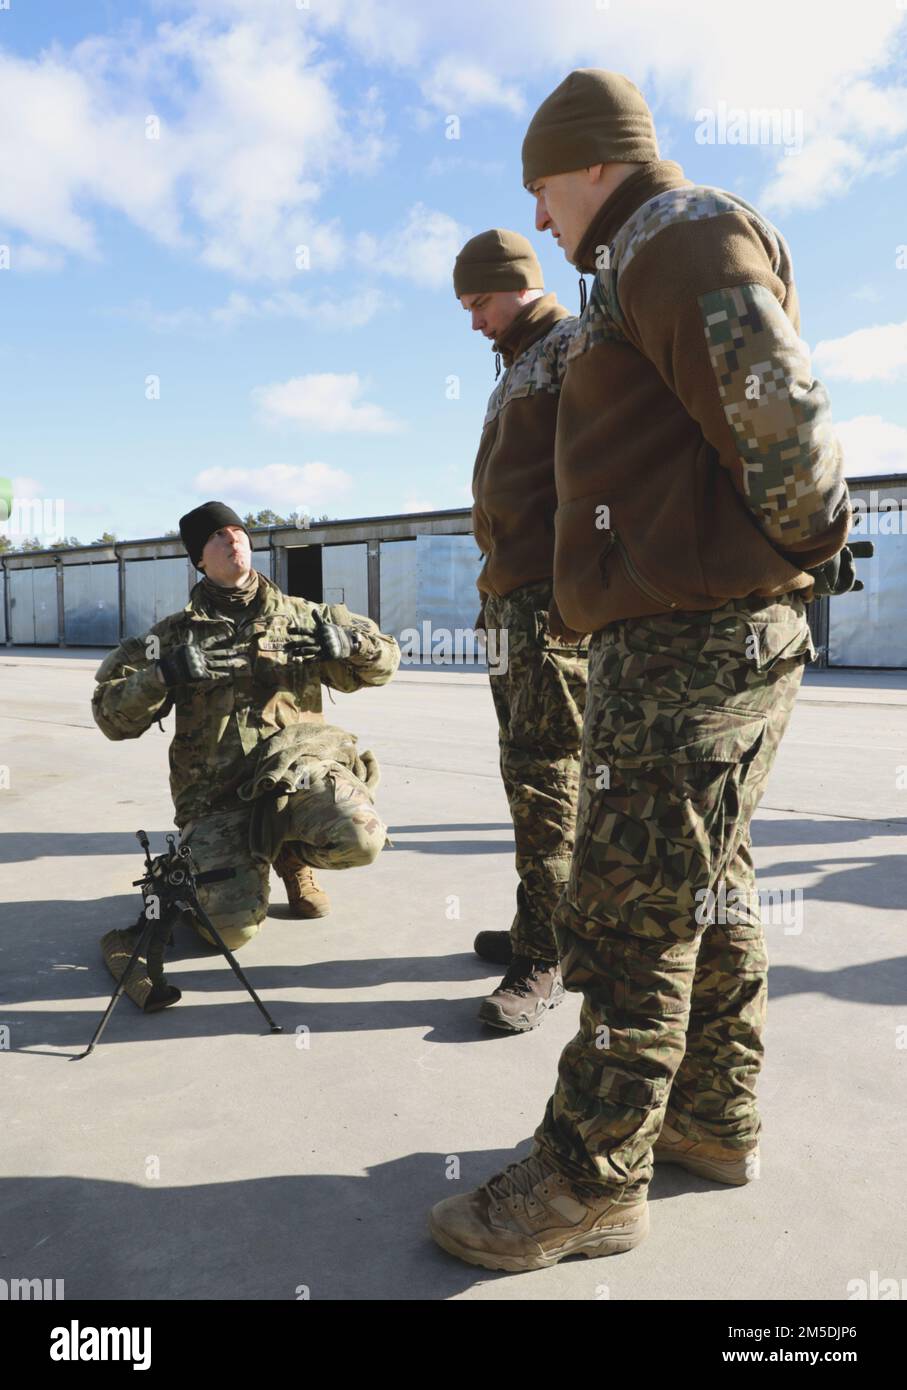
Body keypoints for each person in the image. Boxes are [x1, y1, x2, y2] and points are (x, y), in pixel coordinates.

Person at [431, 70, 853, 1270]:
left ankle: (587, 1178)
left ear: (589, 162)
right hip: (683, 633)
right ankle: (711, 1119)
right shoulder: (633, 261)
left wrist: (788, 555)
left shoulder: (679, 236)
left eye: (541, 189)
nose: (541, 214)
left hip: (697, 642)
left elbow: (782, 426)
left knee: (625, 916)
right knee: (708, 894)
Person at [93, 501, 399, 1008]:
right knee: (230, 934)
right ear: (198, 559)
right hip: (217, 799)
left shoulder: (305, 615)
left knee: (362, 840)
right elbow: (110, 716)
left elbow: (386, 661)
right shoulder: (170, 637)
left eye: (237, 530)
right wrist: (161, 675)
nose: (232, 539)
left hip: (296, 777)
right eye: (217, 536)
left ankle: (290, 855)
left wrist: (349, 644)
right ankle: (214, 869)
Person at [454, 229, 587, 1032]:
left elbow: (605, 477)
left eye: (478, 303)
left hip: (550, 608)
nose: (472, 321)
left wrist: (567, 594)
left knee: (547, 780)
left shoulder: (572, 346)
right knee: (523, 772)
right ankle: (538, 917)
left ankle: (544, 955)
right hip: (512, 603)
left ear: (518, 284)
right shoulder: (516, 364)